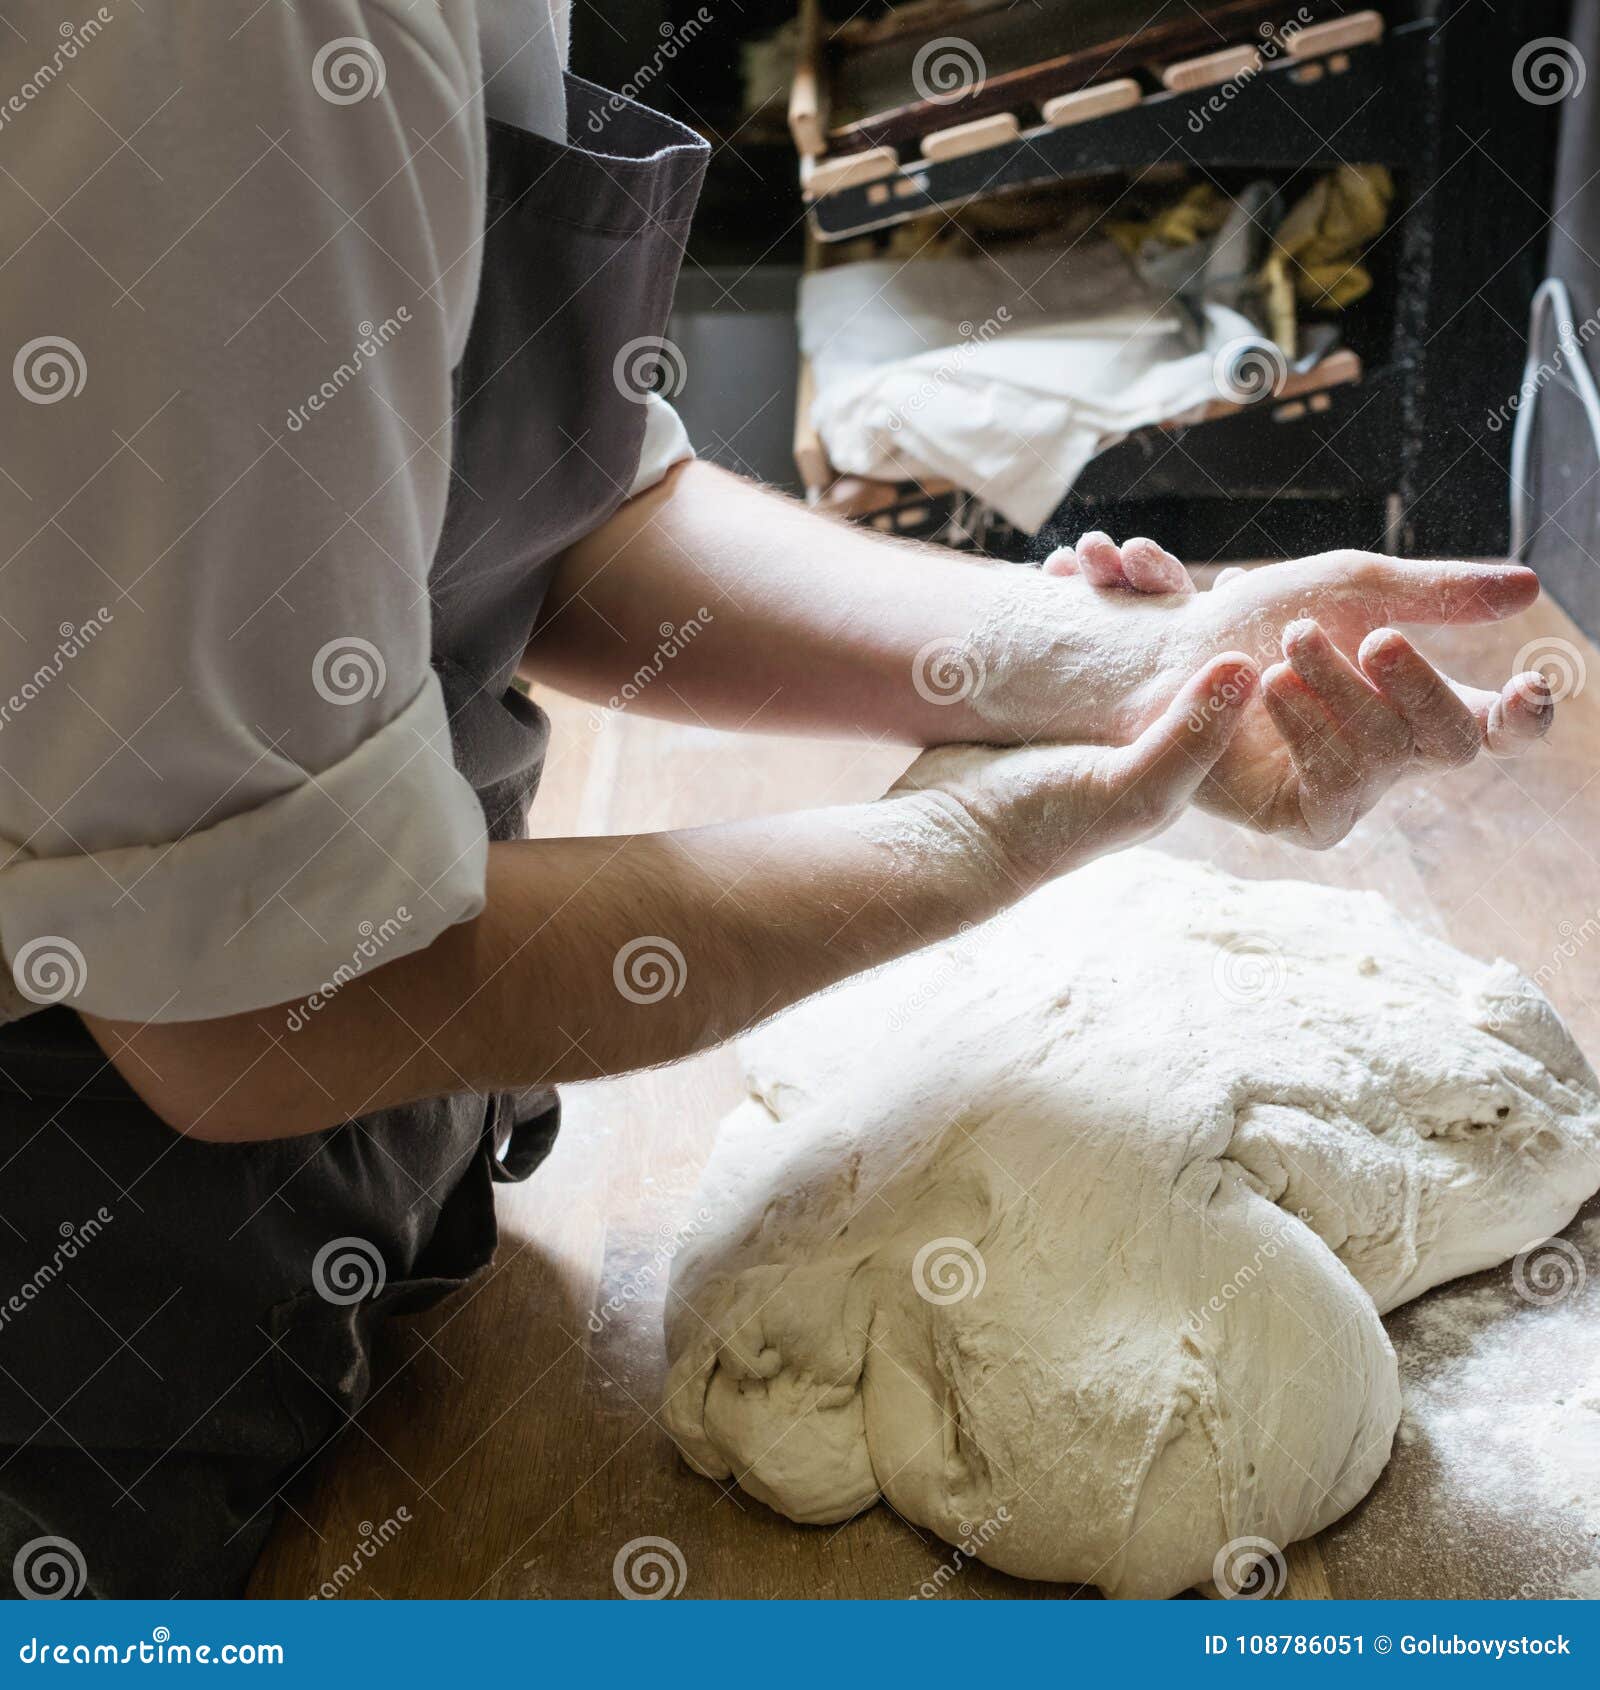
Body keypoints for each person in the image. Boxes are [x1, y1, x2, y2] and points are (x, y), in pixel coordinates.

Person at [0, 2, 1552, 1597]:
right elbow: (254, 1004)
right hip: (77, 1246)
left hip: (363, 1139)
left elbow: (540, 510)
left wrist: (1112, 662)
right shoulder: (229, 36)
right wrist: (961, 840)